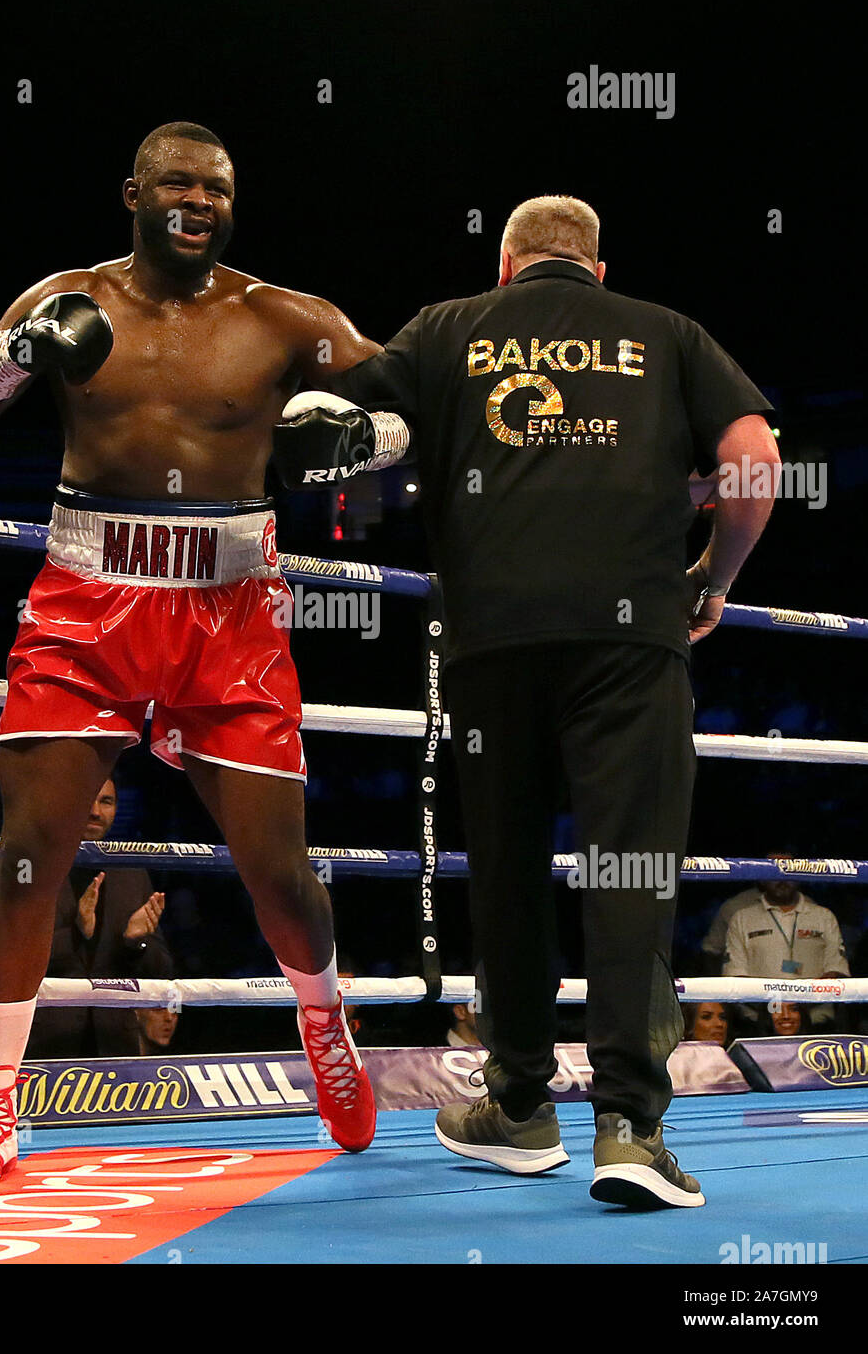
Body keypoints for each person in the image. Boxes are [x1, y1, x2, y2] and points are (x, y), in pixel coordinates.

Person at [279, 195, 780, 1207]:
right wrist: (711, 578)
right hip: (629, 639)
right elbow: (753, 463)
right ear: (597, 268)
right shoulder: (665, 331)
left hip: (488, 644)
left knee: (504, 871)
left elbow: (329, 425)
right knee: (628, 869)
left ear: (505, 265)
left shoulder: (448, 326)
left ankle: (516, 1109)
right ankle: (629, 1131)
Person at [0, 122, 390, 1184]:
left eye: (217, 186)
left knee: (277, 872)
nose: (198, 199)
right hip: (88, 598)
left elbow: (417, 403)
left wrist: (371, 440)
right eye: (177, 180)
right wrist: (9, 363)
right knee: (33, 850)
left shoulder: (285, 319)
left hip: (231, 610)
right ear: (130, 191)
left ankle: (324, 1026)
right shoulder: (66, 295)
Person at [25, 779, 174, 1059]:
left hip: (115, 1042)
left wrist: (137, 942)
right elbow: (11, 955)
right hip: (46, 1042)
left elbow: (162, 971)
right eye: (86, 799)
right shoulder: (30, 866)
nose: (95, 811)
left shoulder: (131, 870)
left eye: (106, 801)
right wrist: (76, 933)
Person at [724, 861, 848, 1029]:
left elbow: (836, 969)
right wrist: (773, 1008)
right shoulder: (742, 918)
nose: (782, 880)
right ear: (761, 879)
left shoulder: (823, 916)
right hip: (758, 1022)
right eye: (774, 874)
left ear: (799, 876)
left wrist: (800, 1004)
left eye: (788, 873)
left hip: (817, 1020)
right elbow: (735, 974)